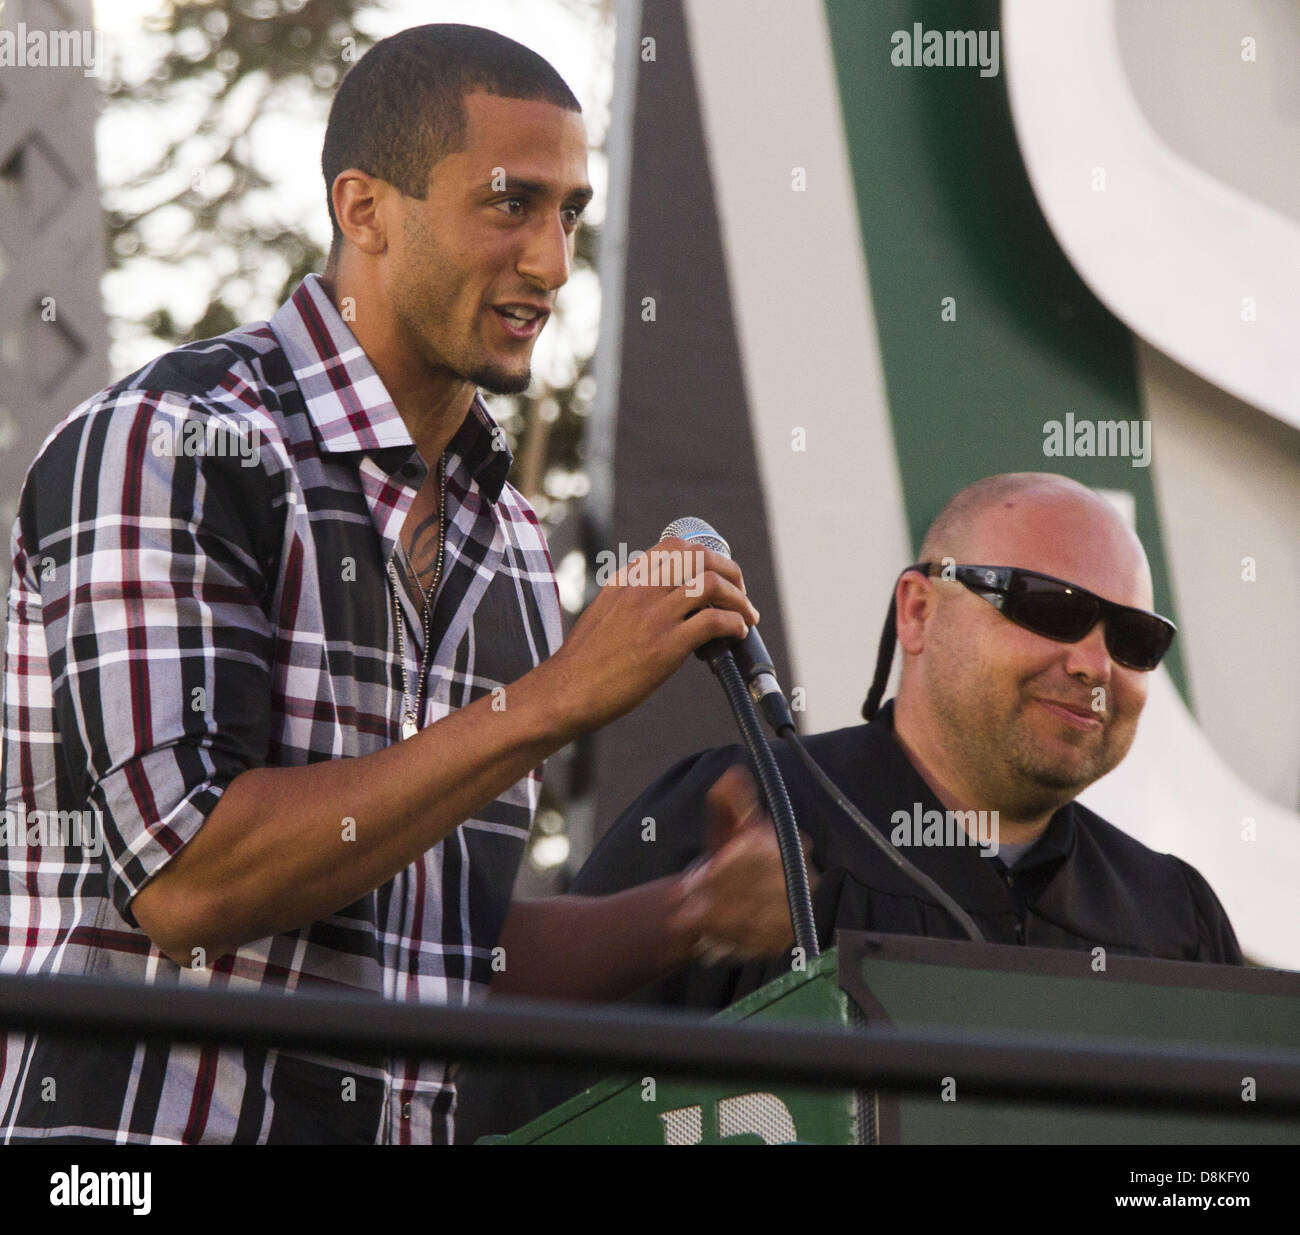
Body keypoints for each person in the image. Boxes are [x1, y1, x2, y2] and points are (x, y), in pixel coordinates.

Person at [0, 24, 789, 1146]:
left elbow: (439, 952)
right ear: (364, 208)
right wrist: (557, 697)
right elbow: (185, 879)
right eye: (510, 204)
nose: (553, 262)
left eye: (570, 213)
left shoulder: (510, 537)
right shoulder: (170, 442)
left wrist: (693, 911)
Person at [451, 472, 1244, 1139]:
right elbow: (534, 1116)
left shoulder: (1173, 924)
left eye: (1135, 638)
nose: (1094, 664)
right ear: (919, 611)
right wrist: (689, 916)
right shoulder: (752, 819)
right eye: (1049, 607)